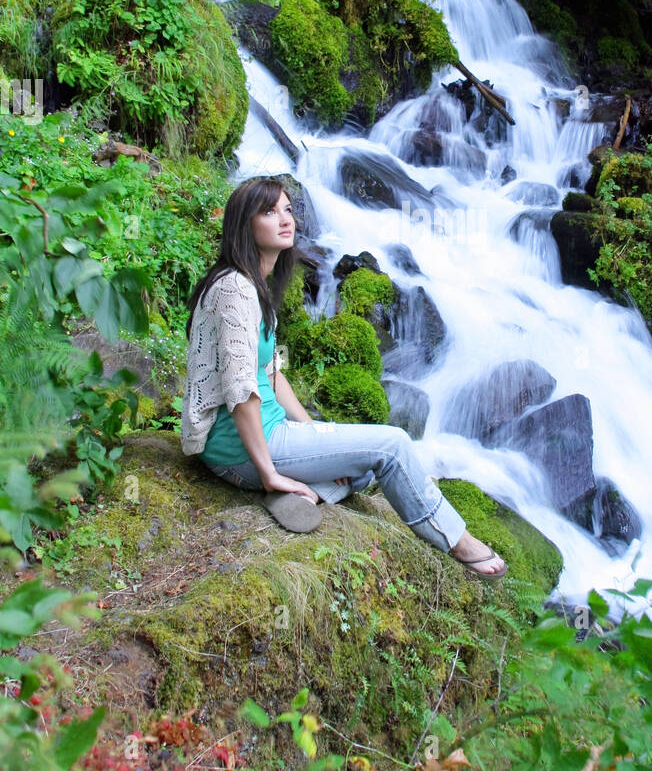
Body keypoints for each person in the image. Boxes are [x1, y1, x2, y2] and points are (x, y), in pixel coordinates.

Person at [180, 176, 507, 579]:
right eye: (268, 211)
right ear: (243, 225)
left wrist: (314, 431)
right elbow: (242, 394)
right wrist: (270, 475)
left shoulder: (255, 286)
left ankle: (312, 492)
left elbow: (271, 372)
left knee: (365, 465)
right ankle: (455, 537)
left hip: (270, 435)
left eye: (287, 209)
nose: (286, 220)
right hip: (242, 451)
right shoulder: (234, 290)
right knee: (393, 445)